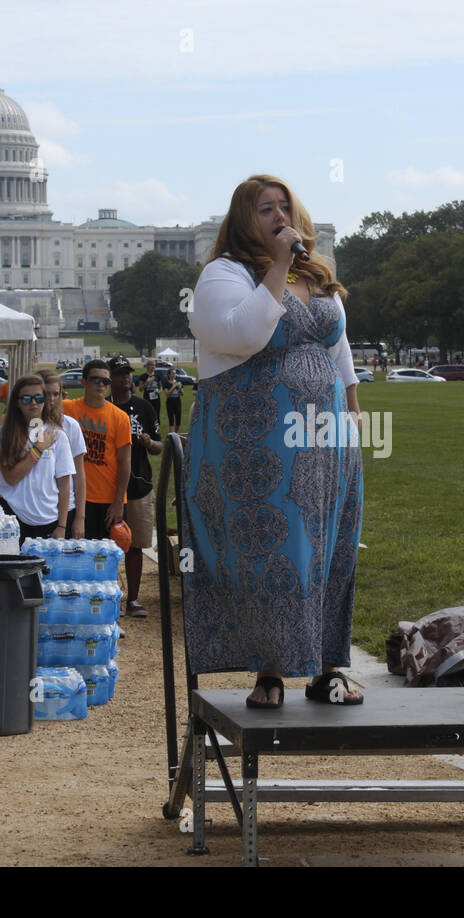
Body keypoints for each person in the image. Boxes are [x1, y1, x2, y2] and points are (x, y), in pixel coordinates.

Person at [185, 173, 364, 707]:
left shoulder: (316, 274)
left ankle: (329, 668)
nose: (279, 217)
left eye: (285, 206)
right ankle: (268, 672)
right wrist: (280, 267)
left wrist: (353, 418)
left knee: (331, 547)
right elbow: (244, 333)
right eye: (266, 209)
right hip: (256, 444)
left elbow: (340, 351)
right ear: (244, 219)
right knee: (268, 549)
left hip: (326, 442)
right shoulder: (224, 274)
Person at [0, 375, 74, 544]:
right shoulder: (5, 433)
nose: (33, 403)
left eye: (39, 398)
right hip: (13, 516)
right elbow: (11, 478)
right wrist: (37, 450)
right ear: (17, 402)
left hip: (50, 519)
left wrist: (62, 526)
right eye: (26, 399)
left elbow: (65, 485)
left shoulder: (57, 435)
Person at [109, 358, 160, 617]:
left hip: (139, 485)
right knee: (106, 546)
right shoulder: (104, 407)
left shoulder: (144, 407)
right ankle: (107, 597)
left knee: (136, 545)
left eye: (127, 373)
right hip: (108, 487)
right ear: (110, 378)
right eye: (119, 374)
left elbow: (161, 446)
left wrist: (149, 443)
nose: (125, 378)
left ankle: (133, 599)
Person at [62, 359, 131, 543]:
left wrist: (118, 502)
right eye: (95, 379)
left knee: (104, 558)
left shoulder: (120, 418)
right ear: (83, 381)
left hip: (107, 499)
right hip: (75, 497)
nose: (101, 385)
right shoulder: (67, 409)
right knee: (75, 554)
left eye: (106, 381)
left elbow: (125, 462)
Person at [40, 370, 86, 539]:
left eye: (56, 394)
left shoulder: (70, 425)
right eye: (46, 394)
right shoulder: (28, 425)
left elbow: (79, 474)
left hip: (65, 511)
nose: (51, 399)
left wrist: (80, 518)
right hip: (39, 510)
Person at [163, 368, 184, 433]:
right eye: (172, 373)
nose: (174, 375)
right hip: (170, 402)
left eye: (175, 373)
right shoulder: (166, 383)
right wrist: (174, 386)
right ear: (169, 375)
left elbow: (182, 394)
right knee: (171, 421)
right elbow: (167, 393)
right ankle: (172, 436)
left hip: (177, 401)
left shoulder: (178, 382)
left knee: (178, 422)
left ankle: (174, 434)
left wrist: (180, 388)